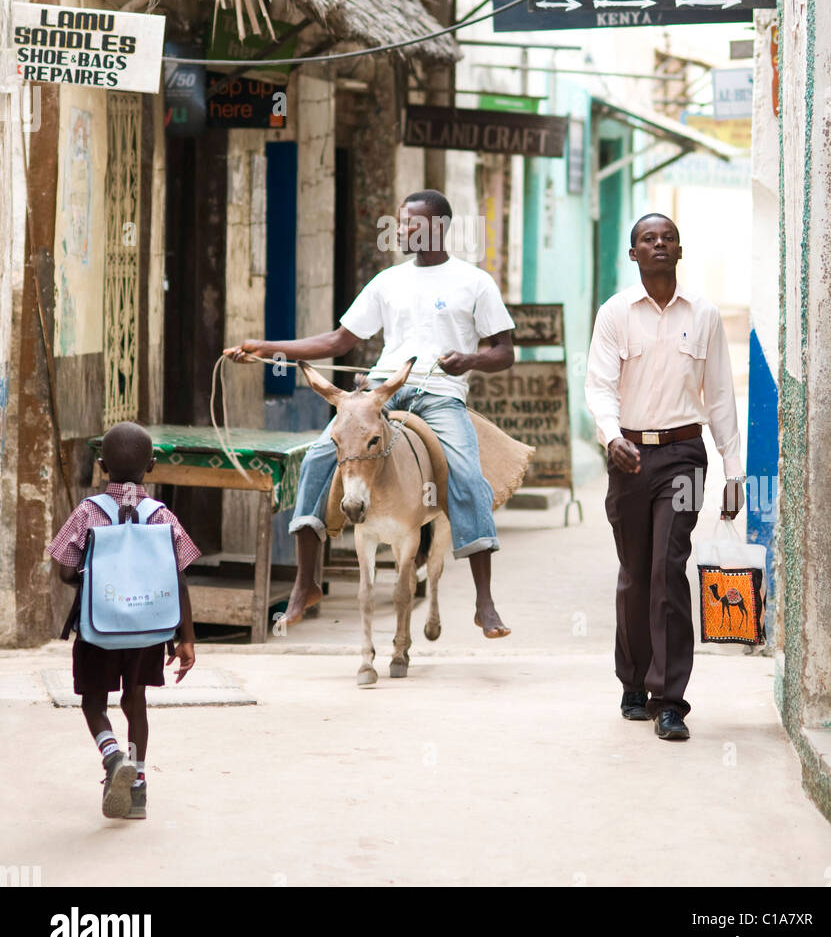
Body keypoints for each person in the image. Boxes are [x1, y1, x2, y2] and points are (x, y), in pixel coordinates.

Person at [225, 190, 515, 637]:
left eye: (410, 224)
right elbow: (338, 342)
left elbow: (504, 352)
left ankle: (485, 602)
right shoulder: (387, 281)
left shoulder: (474, 282)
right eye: (399, 223)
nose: (400, 230)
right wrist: (269, 347)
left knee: (468, 474)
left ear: (438, 227)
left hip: (439, 395)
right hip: (381, 393)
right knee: (322, 454)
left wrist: (471, 360)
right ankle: (306, 583)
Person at [584, 214, 745, 742]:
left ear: (680, 250)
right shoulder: (614, 314)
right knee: (634, 573)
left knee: (667, 570)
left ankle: (670, 700)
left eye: (667, 237)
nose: (658, 244)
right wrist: (612, 438)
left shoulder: (703, 315)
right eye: (648, 239)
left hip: (683, 456)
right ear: (633, 254)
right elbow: (599, 386)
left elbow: (719, 394)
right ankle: (633, 683)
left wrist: (733, 470)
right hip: (627, 456)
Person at [48, 422, 200, 819]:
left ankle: (112, 756)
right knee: (136, 702)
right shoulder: (161, 515)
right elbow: (179, 577)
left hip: (99, 630)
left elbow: (64, 569)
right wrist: (187, 638)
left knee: (94, 702)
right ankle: (138, 791)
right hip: (148, 632)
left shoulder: (87, 511)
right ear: (151, 466)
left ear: (102, 466)